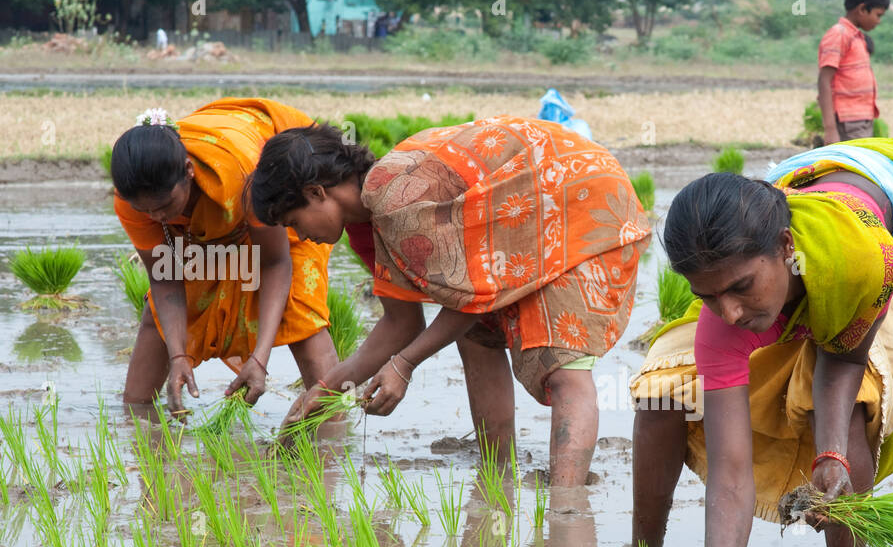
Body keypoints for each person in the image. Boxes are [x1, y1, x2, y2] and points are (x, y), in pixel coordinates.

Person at [630, 138, 893, 547]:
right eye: (707, 297)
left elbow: (845, 360)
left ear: (786, 247)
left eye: (742, 286)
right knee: (662, 391)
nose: (730, 313)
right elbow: (731, 470)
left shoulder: (863, 262)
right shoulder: (721, 320)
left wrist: (829, 454)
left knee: (854, 409)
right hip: (809, 187)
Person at [248, 115, 653, 486]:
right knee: (477, 335)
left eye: (294, 223)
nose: (300, 237)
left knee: (561, 364)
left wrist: (404, 365)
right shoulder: (367, 225)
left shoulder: (394, 200)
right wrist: (325, 389)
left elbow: (472, 298)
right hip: (530, 214)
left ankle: (568, 505)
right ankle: (497, 477)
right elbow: (400, 325)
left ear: (316, 192)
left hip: (582, 202)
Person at [111, 99, 337, 417]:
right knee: (158, 318)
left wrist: (259, 359)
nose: (155, 216)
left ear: (188, 172)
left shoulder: (243, 179)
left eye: (163, 204)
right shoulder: (133, 200)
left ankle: (333, 430)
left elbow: (275, 262)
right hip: (210, 217)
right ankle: (137, 417)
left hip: (280, 187)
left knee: (300, 310)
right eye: (144, 209)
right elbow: (164, 277)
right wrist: (179, 357)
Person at [818, 0, 888, 147]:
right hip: (847, 121)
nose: (879, 21)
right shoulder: (839, 34)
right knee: (853, 169)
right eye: (878, 15)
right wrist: (830, 129)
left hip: (860, 118)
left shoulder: (857, 37)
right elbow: (824, 80)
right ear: (862, 9)